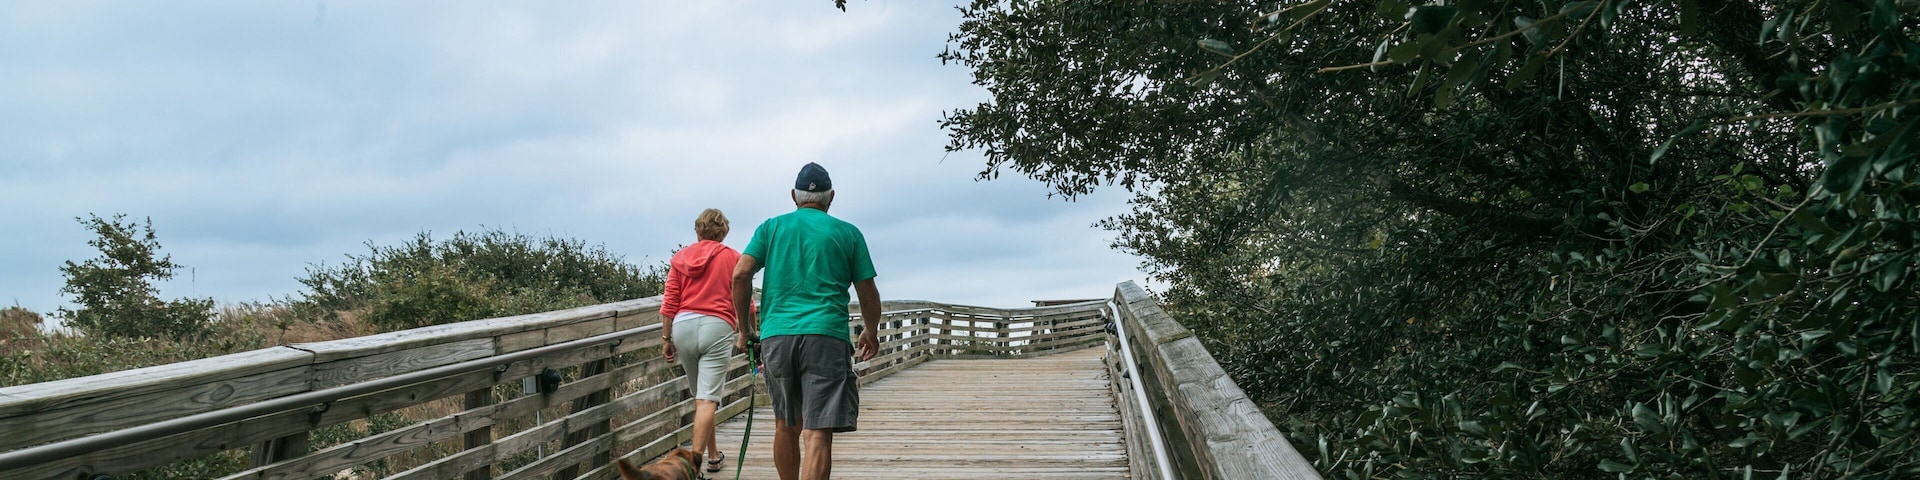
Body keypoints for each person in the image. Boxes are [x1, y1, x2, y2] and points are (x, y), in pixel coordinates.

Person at [732, 162, 881, 480]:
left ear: (793, 196)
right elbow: (867, 290)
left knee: (786, 425)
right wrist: (870, 330)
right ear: (831, 197)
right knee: (817, 432)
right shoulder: (848, 233)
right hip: (826, 336)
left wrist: (745, 331)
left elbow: (741, 273)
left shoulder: (771, 228)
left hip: (777, 336)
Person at [660, 208, 741, 474]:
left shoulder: (680, 258)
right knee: (707, 399)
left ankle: (714, 455)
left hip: (683, 326)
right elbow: (744, 299)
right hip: (716, 326)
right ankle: (692, 468)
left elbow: (670, 301)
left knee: (703, 397)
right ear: (723, 233)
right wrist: (747, 331)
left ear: (698, 231)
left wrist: (666, 338)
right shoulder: (732, 257)